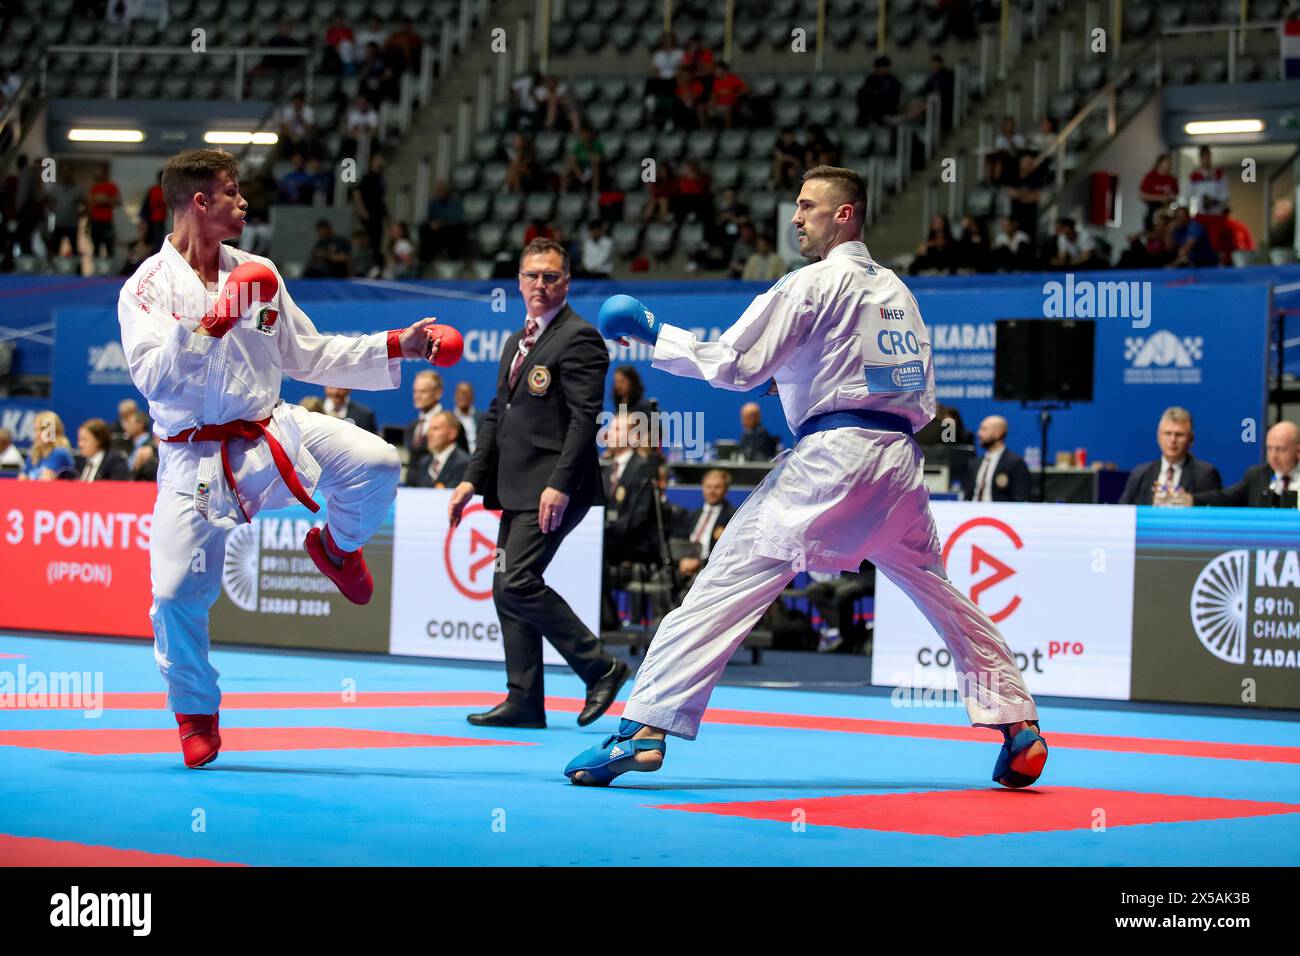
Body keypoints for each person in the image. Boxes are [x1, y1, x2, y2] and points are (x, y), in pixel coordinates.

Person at [568, 165, 1046, 789]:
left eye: (808, 206)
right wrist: (797, 383)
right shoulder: (897, 291)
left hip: (833, 460)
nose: (796, 217)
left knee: (727, 579)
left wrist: (654, 333)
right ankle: (1018, 724)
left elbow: (734, 365)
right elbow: (905, 393)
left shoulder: (812, 282)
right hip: (898, 462)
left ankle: (645, 729)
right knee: (937, 589)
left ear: (844, 214)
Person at [118, 147, 440, 769]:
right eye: (232, 192)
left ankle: (337, 547)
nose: (244, 203)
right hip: (196, 460)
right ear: (199, 202)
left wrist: (398, 344)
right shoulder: (146, 290)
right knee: (176, 592)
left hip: (273, 429)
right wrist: (211, 324)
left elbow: (309, 355)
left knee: (376, 463)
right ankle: (196, 712)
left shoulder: (259, 270)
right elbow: (153, 380)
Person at [447, 238, 630, 730]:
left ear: (566, 282)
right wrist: (469, 480)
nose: (540, 285)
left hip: (555, 487)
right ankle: (524, 699)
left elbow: (584, 419)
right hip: (515, 486)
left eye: (551, 276)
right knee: (506, 588)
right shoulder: (517, 341)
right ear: (519, 281)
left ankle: (601, 666)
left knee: (518, 581)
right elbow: (496, 417)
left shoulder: (580, 337)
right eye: (532, 276)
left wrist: (559, 484)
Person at [1118, 407, 1222, 505]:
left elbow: (1213, 515)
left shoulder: (1205, 475)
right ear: (1158, 437)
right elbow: (1123, 513)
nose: (1172, 440)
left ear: (1191, 440)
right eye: (1168, 433)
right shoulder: (1140, 474)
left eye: (1179, 434)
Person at [1186, 421, 1300, 509]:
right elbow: (1226, 497)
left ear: (1298, 451)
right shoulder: (1257, 476)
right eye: (1269, 448)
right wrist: (1192, 499)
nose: (1273, 456)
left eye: (1281, 449)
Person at [675, 468, 735, 587]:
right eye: (708, 486)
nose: (712, 491)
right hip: (685, 563)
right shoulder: (692, 515)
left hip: (711, 568)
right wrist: (682, 560)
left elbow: (729, 552)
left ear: (726, 490)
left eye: (717, 487)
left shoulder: (732, 517)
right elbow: (679, 541)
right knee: (661, 580)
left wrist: (699, 562)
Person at [968, 415, 1031, 502]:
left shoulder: (1015, 463)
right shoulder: (976, 463)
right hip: (973, 514)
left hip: (998, 514)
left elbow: (1020, 498)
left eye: (984, 429)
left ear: (998, 433)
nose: (979, 433)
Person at [407, 411, 470, 488]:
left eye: (435, 429)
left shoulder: (464, 463)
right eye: (429, 429)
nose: (429, 434)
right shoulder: (424, 463)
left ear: (452, 433)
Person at [17, 411, 76, 481]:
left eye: (42, 430)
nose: (37, 435)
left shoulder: (60, 453)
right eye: (35, 430)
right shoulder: (34, 453)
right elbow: (22, 478)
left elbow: (46, 480)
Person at [404, 369, 444, 457]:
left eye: (423, 391)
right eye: (415, 391)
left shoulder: (448, 424)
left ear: (438, 393)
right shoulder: (412, 426)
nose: (417, 396)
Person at [88, 164, 120, 259]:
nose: (99, 174)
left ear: (106, 173)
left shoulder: (111, 186)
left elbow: (118, 202)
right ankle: (96, 270)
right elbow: (90, 203)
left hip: (106, 221)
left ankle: (110, 270)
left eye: (101, 172)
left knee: (109, 247)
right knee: (95, 247)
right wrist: (87, 223)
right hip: (95, 221)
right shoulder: (94, 188)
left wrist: (105, 199)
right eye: (98, 172)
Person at [1139, 153, 1178, 230]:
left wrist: (1171, 197)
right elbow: (1142, 195)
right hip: (1152, 210)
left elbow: (1176, 195)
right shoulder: (1150, 176)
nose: (1169, 165)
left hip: (1167, 210)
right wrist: (1159, 198)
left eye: (1170, 163)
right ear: (1160, 163)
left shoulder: (1172, 179)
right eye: (1167, 163)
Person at [121, 408, 159, 481]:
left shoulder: (151, 447)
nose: (126, 427)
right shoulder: (129, 444)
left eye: (129, 423)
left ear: (140, 425)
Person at [452, 380, 485, 453]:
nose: (463, 396)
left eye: (466, 393)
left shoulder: (483, 418)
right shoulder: (449, 419)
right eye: (460, 392)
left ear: (472, 396)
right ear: (455, 396)